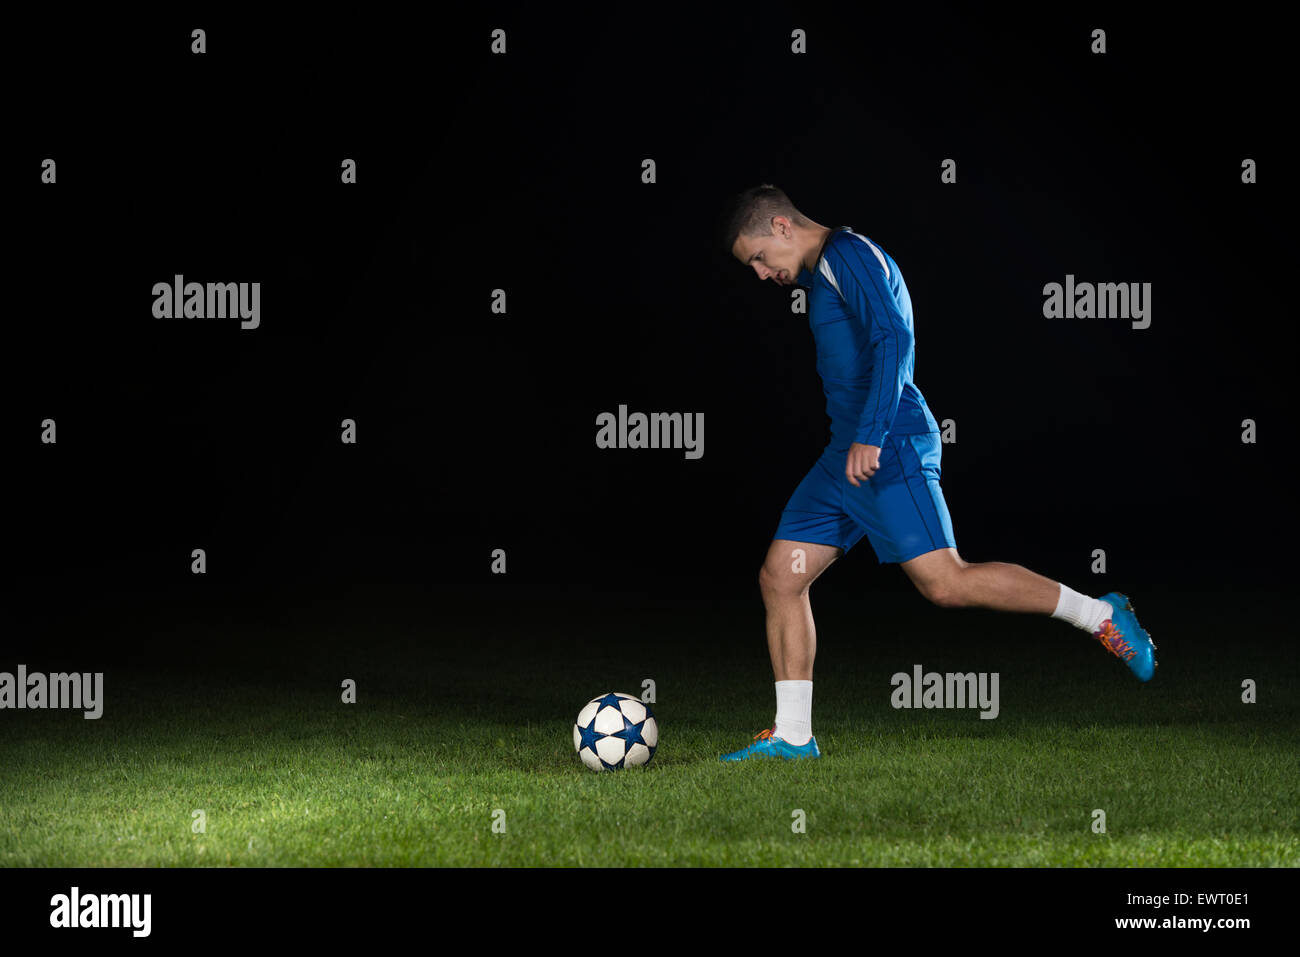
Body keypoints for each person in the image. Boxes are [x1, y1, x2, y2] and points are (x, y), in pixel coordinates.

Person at [717, 184, 1157, 761]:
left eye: (756, 256)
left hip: (889, 443)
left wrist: (872, 432)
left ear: (780, 226)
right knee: (780, 577)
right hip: (843, 460)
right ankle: (794, 736)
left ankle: (1101, 613)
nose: (759, 273)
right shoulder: (820, 271)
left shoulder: (848, 254)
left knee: (946, 583)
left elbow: (894, 337)